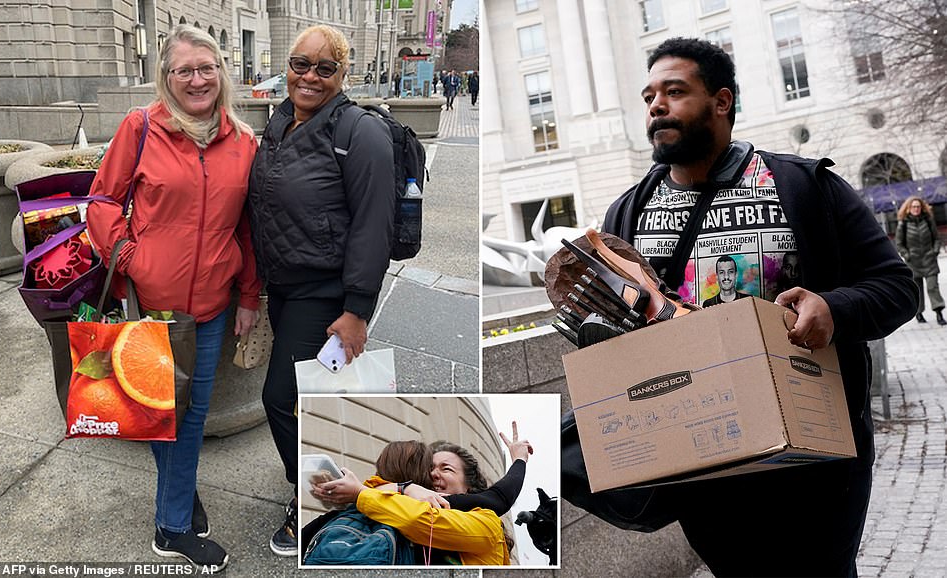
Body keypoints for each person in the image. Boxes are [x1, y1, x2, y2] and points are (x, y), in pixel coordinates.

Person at [575, 37, 918, 577]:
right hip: (702, 463)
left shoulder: (804, 187)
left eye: (674, 92)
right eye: (649, 96)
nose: (656, 106)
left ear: (722, 101)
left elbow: (897, 286)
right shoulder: (628, 213)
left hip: (814, 458)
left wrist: (833, 309)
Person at [86, 25, 260, 573]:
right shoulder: (140, 127)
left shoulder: (243, 141)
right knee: (163, 415)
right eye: (184, 70)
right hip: (150, 305)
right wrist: (133, 259)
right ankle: (173, 526)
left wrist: (250, 294)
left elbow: (248, 228)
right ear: (166, 76)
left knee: (188, 416)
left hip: (210, 308)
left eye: (206, 68)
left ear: (221, 73)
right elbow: (102, 201)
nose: (197, 79)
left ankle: (176, 495)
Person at [246, 24, 395, 557]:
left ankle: (315, 499)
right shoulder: (281, 121)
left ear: (343, 73)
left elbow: (374, 226)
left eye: (325, 67)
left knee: (280, 397)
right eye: (300, 64)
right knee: (309, 397)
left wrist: (357, 310)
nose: (309, 76)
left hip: (326, 290)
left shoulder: (361, 132)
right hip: (284, 285)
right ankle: (338, 479)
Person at [313, 424, 534, 565]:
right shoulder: (395, 506)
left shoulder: (486, 522)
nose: (434, 474)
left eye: (446, 469)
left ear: (469, 486)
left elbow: (418, 519)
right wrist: (402, 488)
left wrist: (519, 459)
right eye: (430, 469)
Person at [896, 196, 945, 325]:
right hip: (913, 262)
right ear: (908, 208)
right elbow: (899, 244)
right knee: (917, 290)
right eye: (913, 207)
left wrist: (935, 251)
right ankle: (919, 313)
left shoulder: (928, 220)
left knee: (933, 287)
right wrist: (907, 255)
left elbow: (936, 238)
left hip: (929, 260)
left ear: (922, 208)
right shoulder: (903, 224)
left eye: (918, 206)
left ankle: (939, 313)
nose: (916, 209)